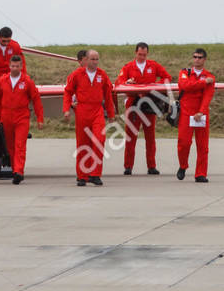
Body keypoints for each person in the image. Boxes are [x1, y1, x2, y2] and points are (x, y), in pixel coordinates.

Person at [116, 42, 172, 175]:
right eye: (140, 54)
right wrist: (128, 83)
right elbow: (119, 82)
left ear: (147, 54)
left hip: (149, 105)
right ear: (136, 53)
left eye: (144, 55)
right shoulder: (128, 67)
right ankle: (128, 167)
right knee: (130, 137)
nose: (142, 57)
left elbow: (167, 77)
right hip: (133, 105)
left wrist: (153, 85)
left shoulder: (153, 65)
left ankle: (151, 166)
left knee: (150, 137)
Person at [63, 49, 116, 186]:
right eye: (92, 59)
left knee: (99, 140)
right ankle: (82, 176)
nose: (95, 62)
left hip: (97, 111)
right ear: (86, 60)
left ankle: (95, 174)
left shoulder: (102, 75)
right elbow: (68, 92)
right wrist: (66, 110)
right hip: (82, 111)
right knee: (83, 144)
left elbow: (108, 96)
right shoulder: (77, 75)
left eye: (97, 59)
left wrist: (111, 114)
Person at [0, 54, 44, 184]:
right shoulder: (3, 80)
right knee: (10, 146)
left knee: (20, 145)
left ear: (21, 67)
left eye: (17, 66)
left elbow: (36, 100)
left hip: (22, 117)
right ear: (9, 66)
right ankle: (15, 170)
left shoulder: (27, 82)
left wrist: (40, 118)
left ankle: (19, 171)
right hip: (6, 117)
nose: (15, 68)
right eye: (13, 66)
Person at [176, 48, 216, 182]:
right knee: (184, 143)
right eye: (195, 57)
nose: (197, 59)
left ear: (204, 60)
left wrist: (201, 111)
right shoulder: (184, 72)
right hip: (186, 113)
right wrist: (203, 82)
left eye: (199, 57)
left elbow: (208, 96)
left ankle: (200, 174)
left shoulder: (210, 76)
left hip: (201, 114)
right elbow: (185, 86)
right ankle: (183, 165)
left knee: (203, 146)